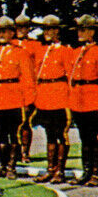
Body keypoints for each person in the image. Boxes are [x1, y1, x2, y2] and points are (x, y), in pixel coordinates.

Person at [0, 16, 35, 179]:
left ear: (12, 33)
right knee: (0, 134)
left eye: (4, 31)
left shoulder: (21, 52)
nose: (1, 34)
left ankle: (12, 166)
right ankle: (2, 164)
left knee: (13, 134)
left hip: (14, 97)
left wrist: (28, 102)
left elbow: (27, 78)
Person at [30, 15, 73, 183]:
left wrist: (70, 98)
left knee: (61, 134)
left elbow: (70, 75)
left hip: (60, 95)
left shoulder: (65, 50)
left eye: (50, 29)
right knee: (49, 134)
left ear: (57, 31)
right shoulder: (41, 50)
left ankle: (60, 171)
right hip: (44, 95)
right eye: (45, 29)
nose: (47, 32)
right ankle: (50, 169)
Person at [68, 14, 98, 187]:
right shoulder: (76, 52)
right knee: (84, 137)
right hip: (79, 99)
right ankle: (87, 171)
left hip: (94, 98)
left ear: (92, 32)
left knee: (95, 137)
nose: (79, 33)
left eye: (83, 30)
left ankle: (96, 173)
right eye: (79, 30)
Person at [13, 13, 45, 166]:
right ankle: (14, 152)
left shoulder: (35, 45)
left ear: (28, 29)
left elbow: (39, 65)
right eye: (18, 27)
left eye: (24, 27)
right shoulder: (11, 44)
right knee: (12, 122)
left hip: (28, 87)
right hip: (12, 87)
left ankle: (25, 151)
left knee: (26, 121)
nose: (21, 30)